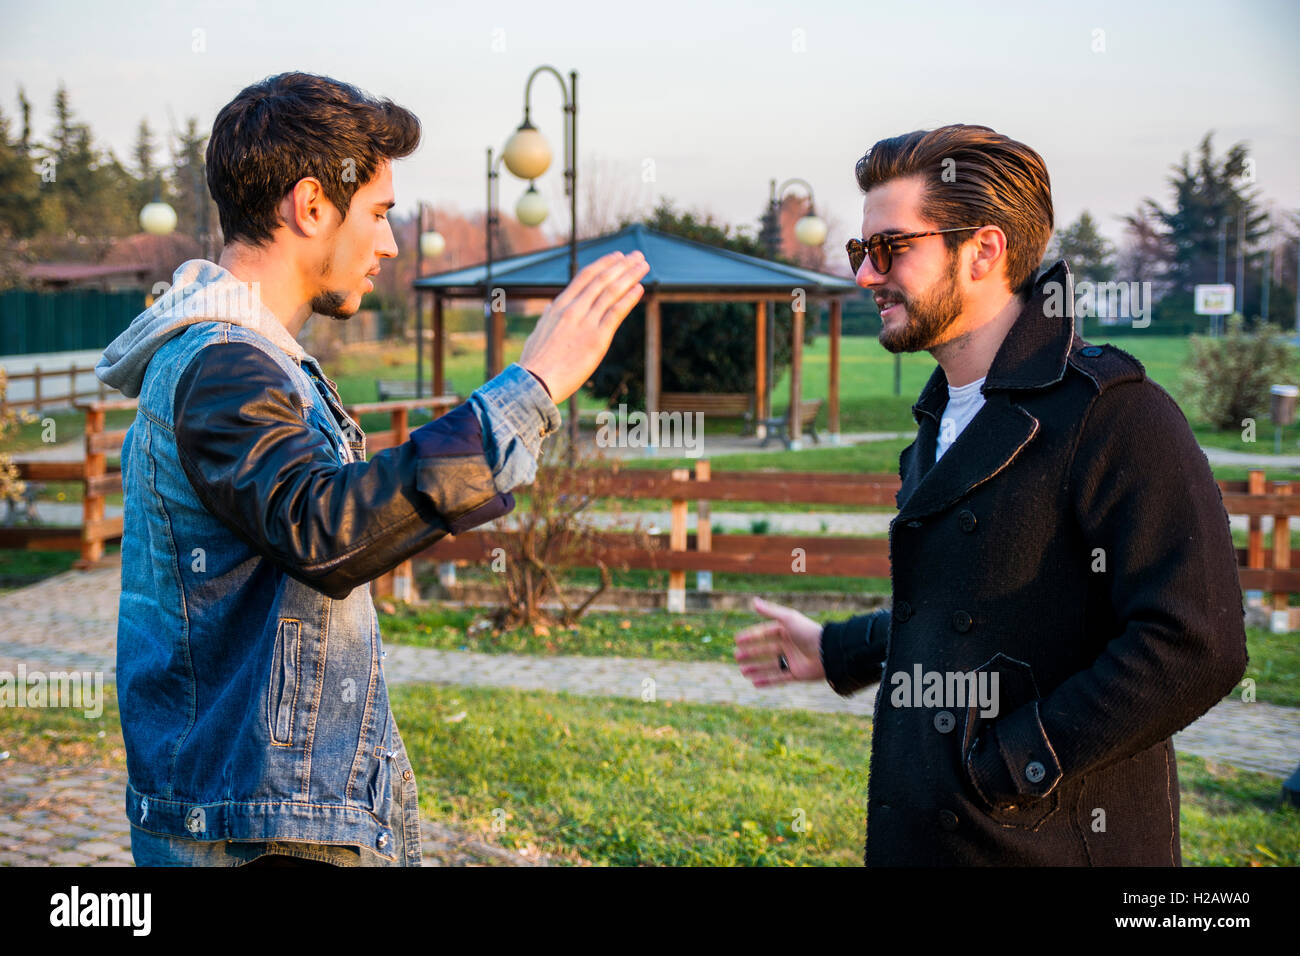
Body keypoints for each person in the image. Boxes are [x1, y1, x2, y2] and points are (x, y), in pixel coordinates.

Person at [95, 72, 649, 867]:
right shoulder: (222, 363)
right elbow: (324, 529)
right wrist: (527, 394)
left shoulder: (249, 359)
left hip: (262, 817)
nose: (390, 243)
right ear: (311, 205)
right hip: (253, 833)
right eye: (380, 214)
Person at [734, 124, 1247, 866]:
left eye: (889, 249)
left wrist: (1018, 759)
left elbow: (1198, 642)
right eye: (860, 251)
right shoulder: (940, 419)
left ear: (984, 250)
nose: (865, 276)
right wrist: (838, 649)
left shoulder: (1114, 415)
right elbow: (975, 610)